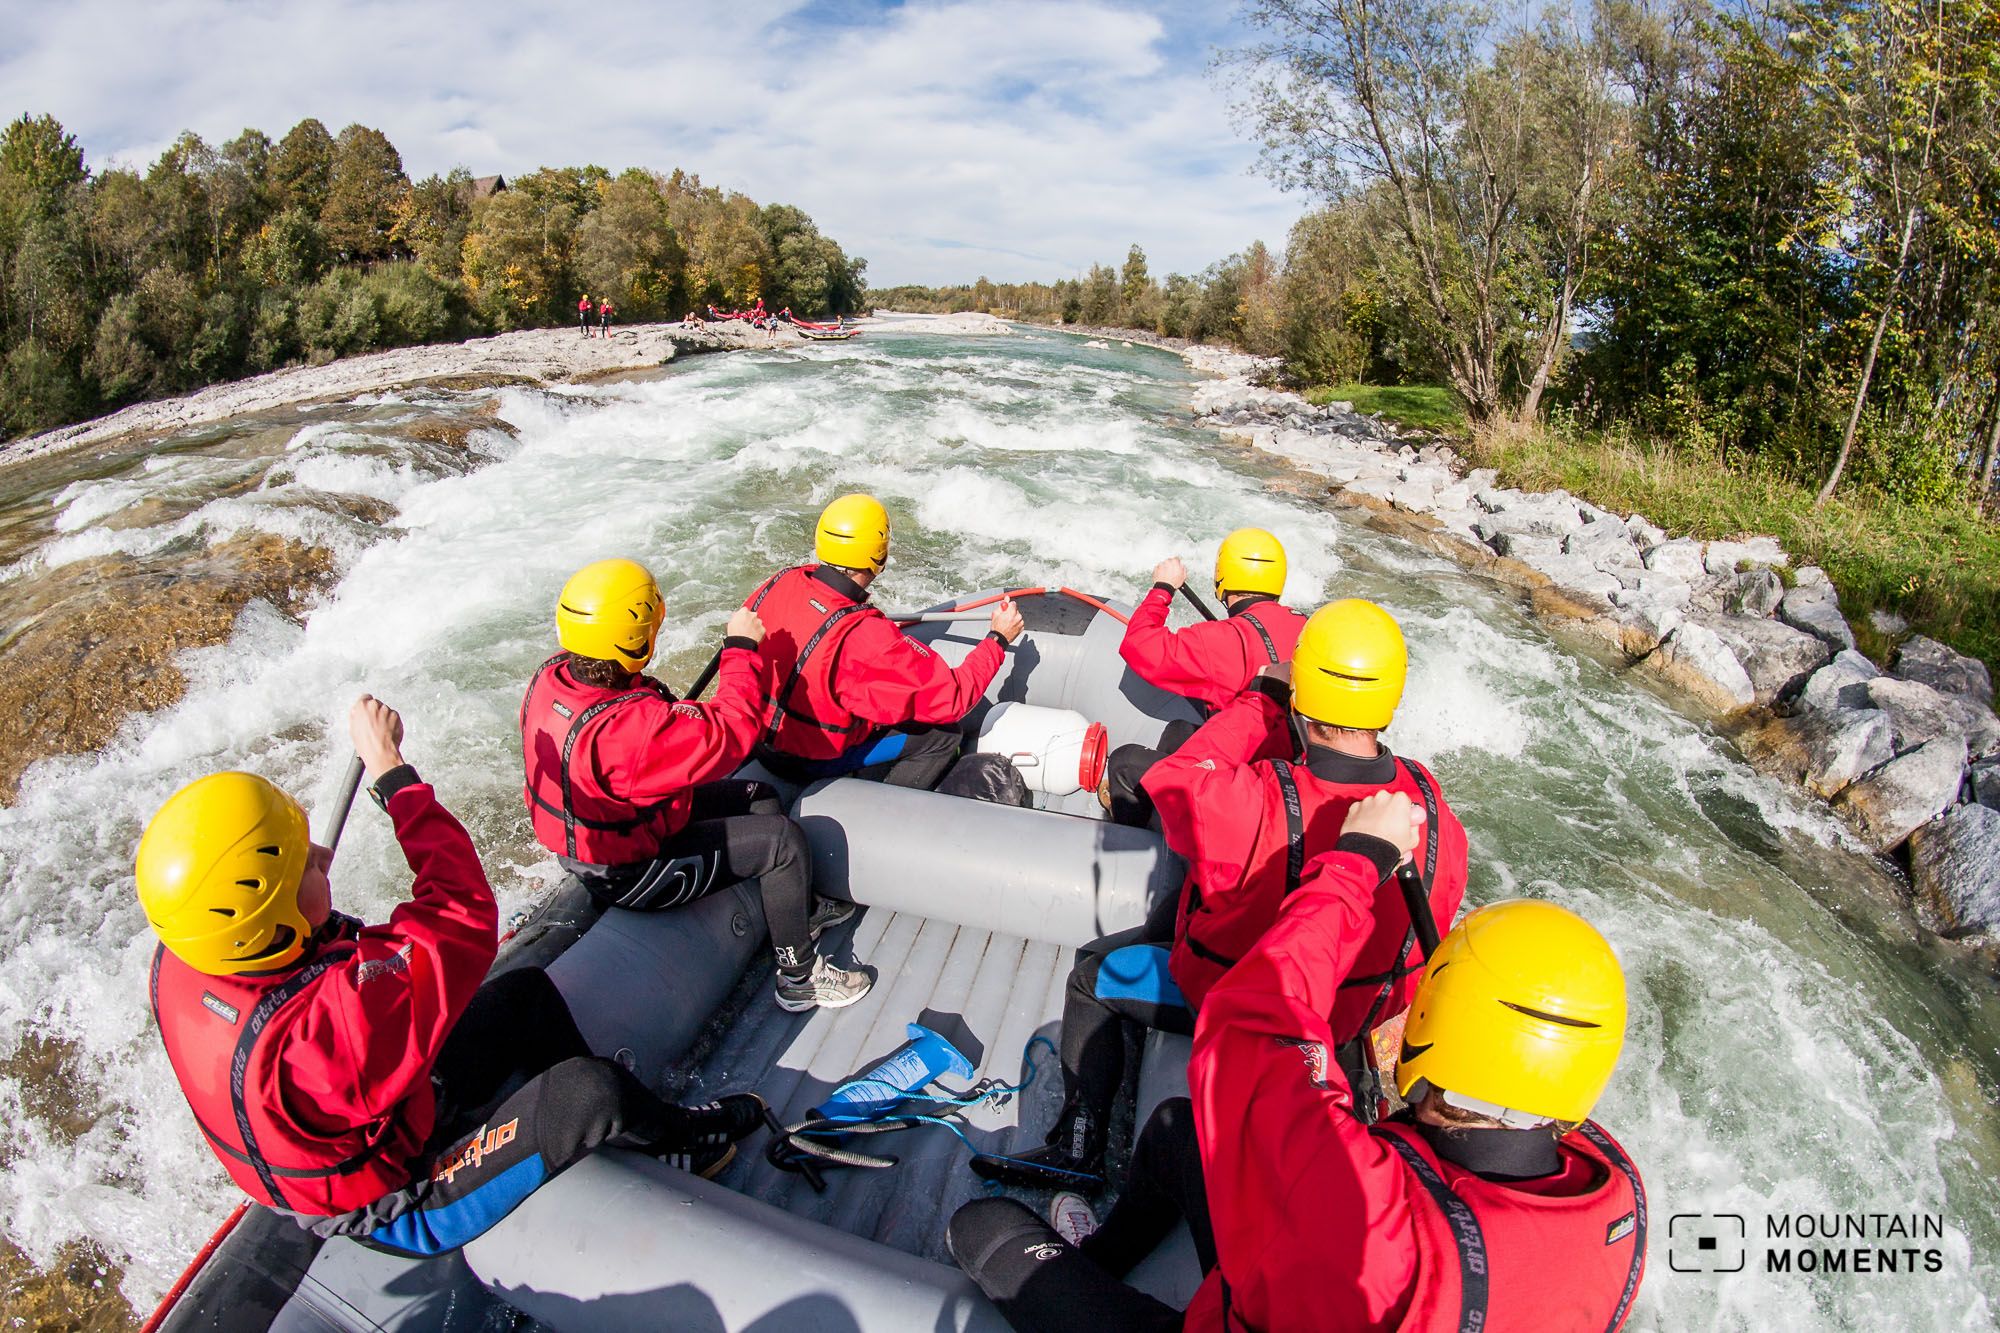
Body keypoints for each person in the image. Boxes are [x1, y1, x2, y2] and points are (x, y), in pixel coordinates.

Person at [951, 791, 1645, 1332]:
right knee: (1172, 1132)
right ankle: (1100, 1259)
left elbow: (1254, 1012)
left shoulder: (1357, 1194)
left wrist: (1356, 859)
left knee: (979, 1228)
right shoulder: (1616, 1200)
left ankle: (1082, 1264)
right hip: (1345, 1287)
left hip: (1316, 1277)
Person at [136, 695, 768, 1257]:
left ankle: (560, 1121)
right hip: (396, 1202)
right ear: (265, 918)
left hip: (352, 1117)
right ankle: (687, 1140)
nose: (324, 856)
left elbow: (343, 968)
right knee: (589, 1091)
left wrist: (311, 902)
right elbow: (460, 907)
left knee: (522, 995)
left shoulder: (188, 957)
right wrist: (392, 773)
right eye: (304, 864)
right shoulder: (332, 1028)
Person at [970, 599, 1466, 1192]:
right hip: (1350, 1014)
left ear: (1303, 695)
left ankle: (1079, 1142)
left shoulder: (1252, 798)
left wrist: (1262, 700)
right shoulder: (1433, 808)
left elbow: (1169, 784)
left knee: (1091, 974)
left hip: (1242, 1002)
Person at [521, 558, 871, 1011]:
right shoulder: (633, 729)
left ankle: (798, 915)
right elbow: (734, 732)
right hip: (632, 873)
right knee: (783, 842)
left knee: (759, 796)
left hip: (620, 832)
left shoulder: (551, 677)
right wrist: (741, 648)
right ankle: (799, 979)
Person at [743, 493, 1026, 790]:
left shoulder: (780, 580)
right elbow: (953, 698)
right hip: (806, 761)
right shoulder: (867, 636)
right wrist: (998, 638)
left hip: (759, 740)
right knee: (944, 735)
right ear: (879, 556)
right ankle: (888, 805)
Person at [1102, 530, 1309, 828]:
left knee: (1124, 761)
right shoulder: (1307, 627)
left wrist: (1163, 588)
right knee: (1180, 731)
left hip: (1246, 781)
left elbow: (1139, 646)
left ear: (1222, 578)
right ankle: (1167, 816)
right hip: (1287, 768)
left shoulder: (1223, 640)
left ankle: (1140, 847)